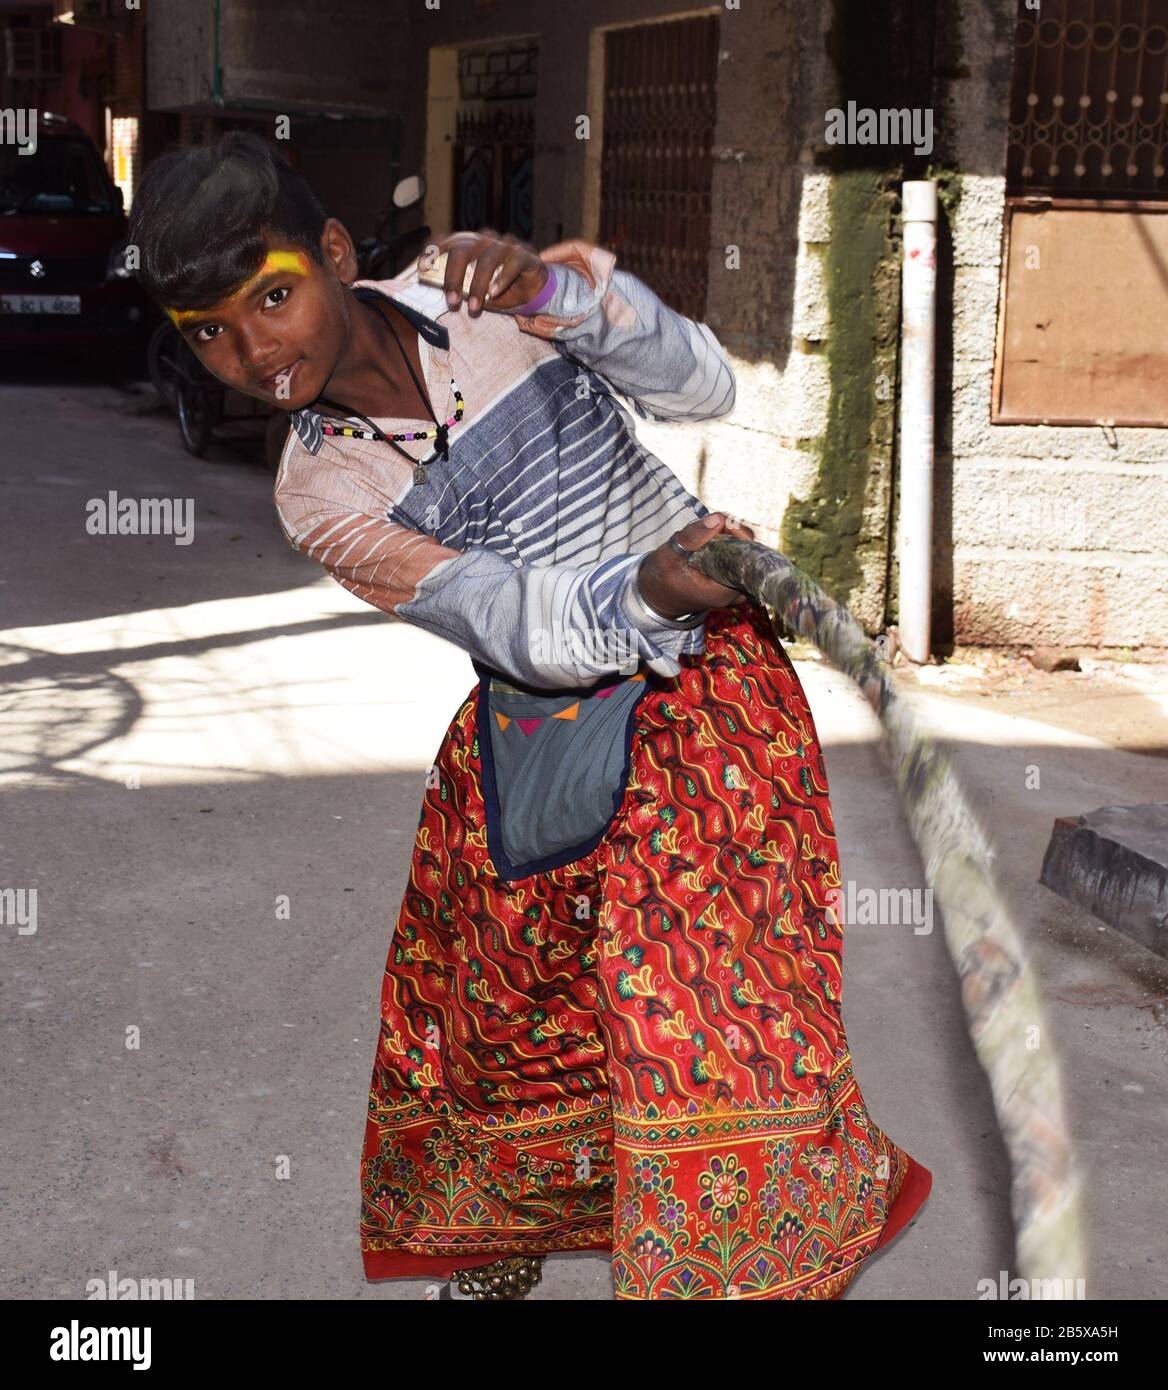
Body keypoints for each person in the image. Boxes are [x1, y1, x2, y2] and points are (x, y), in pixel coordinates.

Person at [128, 130, 931, 1301]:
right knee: (509, 1019)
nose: (251, 352)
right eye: (207, 332)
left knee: (692, 1004)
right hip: (535, 723)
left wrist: (568, 300)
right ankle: (503, 1233)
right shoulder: (323, 491)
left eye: (273, 297)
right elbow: (506, 620)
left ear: (336, 252)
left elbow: (703, 385)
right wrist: (643, 587)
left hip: (705, 697)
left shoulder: (485, 293)